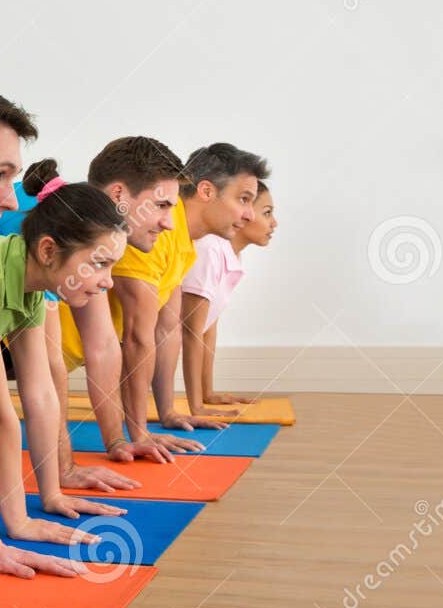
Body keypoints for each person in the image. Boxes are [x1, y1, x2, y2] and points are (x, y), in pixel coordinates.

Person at [0, 159, 130, 538]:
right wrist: (18, 522)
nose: (109, 283)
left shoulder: (31, 286)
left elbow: (40, 396)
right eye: (100, 264)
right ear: (49, 250)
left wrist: (51, 494)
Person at [71, 141, 267, 445]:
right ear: (206, 191)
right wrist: (139, 434)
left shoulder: (183, 244)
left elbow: (167, 329)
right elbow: (137, 337)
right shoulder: (149, 235)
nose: (249, 215)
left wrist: (168, 412)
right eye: (243, 199)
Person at [51, 136, 203, 477]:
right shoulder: (60, 233)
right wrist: (63, 469)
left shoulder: (98, 247)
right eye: (161, 205)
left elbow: (103, 345)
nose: (169, 222)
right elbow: (45, 367)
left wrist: (118, 442)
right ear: (119, 195)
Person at [181, 181, 277, 415]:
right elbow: (190, 330)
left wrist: (208, 393)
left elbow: (207, 329)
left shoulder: (230, 255)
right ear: (244, 214)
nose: (274, 223)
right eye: (267, 213)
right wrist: (197, 407)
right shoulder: (210, 249)